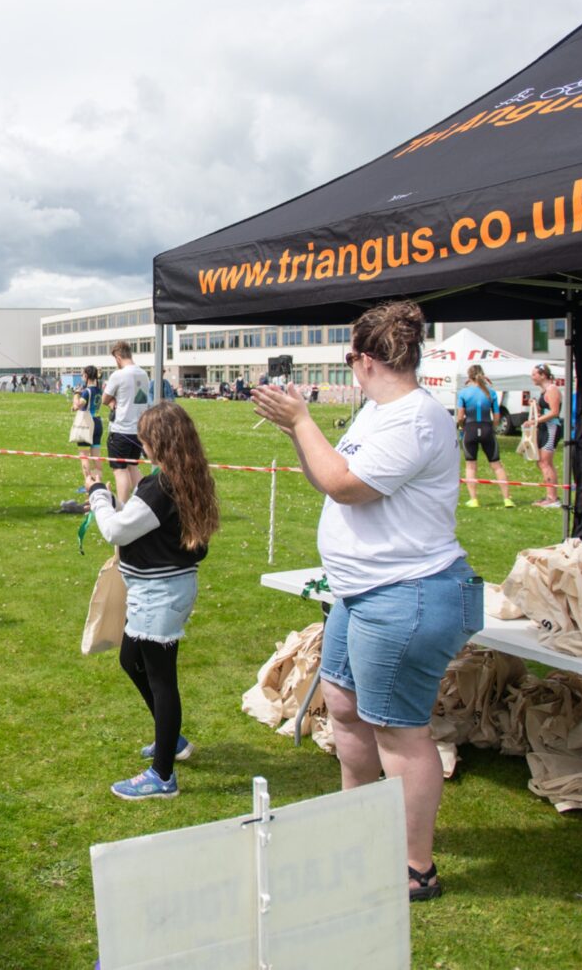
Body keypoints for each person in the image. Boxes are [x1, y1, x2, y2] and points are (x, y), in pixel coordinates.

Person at [251, 300, 480, 903]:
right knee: (346, 709)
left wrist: (303, 422)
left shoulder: (413, 418)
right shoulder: (379, 412)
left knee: (400, 733)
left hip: (405, 595)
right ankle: (357, 827)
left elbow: (345, 487)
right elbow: (326, 473)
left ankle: (414, 869)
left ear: (364, 358)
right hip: (364, 594)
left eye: (349, 357)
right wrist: (295, 430)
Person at [85, 403, 218, 800]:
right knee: (131, 659)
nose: (139, 445)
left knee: (162, 680)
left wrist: (97, 494)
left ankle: (163, 775)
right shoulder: (180, 477)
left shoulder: (161, 488)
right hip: (160, 590)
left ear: (157, 442)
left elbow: (116, 530)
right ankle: (170, 739)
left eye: (144, 438)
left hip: (161, 594)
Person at [455, 364, 513, 509]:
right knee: (496, 465)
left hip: (471, 429)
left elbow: (460, 416)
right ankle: (507, 499)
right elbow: (497, 416)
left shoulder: (463, 393)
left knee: (471, 465)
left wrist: (461, 425)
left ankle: (474, 499)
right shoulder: (491, 392)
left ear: (469, 377)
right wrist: (491, 427)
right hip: (487, 428)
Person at [102, 342, 152, 505]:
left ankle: (122, 508)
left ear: (117, 357)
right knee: (133, 467)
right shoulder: (144, 374)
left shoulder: (119, 375)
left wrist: (113, 401)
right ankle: (146, 502)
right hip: (138, 430)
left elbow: (104, 399)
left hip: (121, 429)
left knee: (120, 471)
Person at [525, 363, 563, 508]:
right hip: (544, 428)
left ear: (543, 375)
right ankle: (550, 496)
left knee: (545, 462)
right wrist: (535, 407)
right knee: (541, 462)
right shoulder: (544, 391)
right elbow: (545, 411)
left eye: (534, 374)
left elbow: (554, 412)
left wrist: (534, 421)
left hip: (551, 428)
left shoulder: (552, 390)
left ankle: (553, 499)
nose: (532, 377)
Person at [72, 365, 105, 483]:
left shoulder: (87, 391)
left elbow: (78, 406)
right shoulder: (99, 390)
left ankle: (88, 485)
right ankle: (98, 483)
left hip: (87, 425)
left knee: (84, 456)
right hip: (97, 422)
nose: (81, 376)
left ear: (86, 376)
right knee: (96, 457)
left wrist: (76, 394)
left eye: (82, 374)